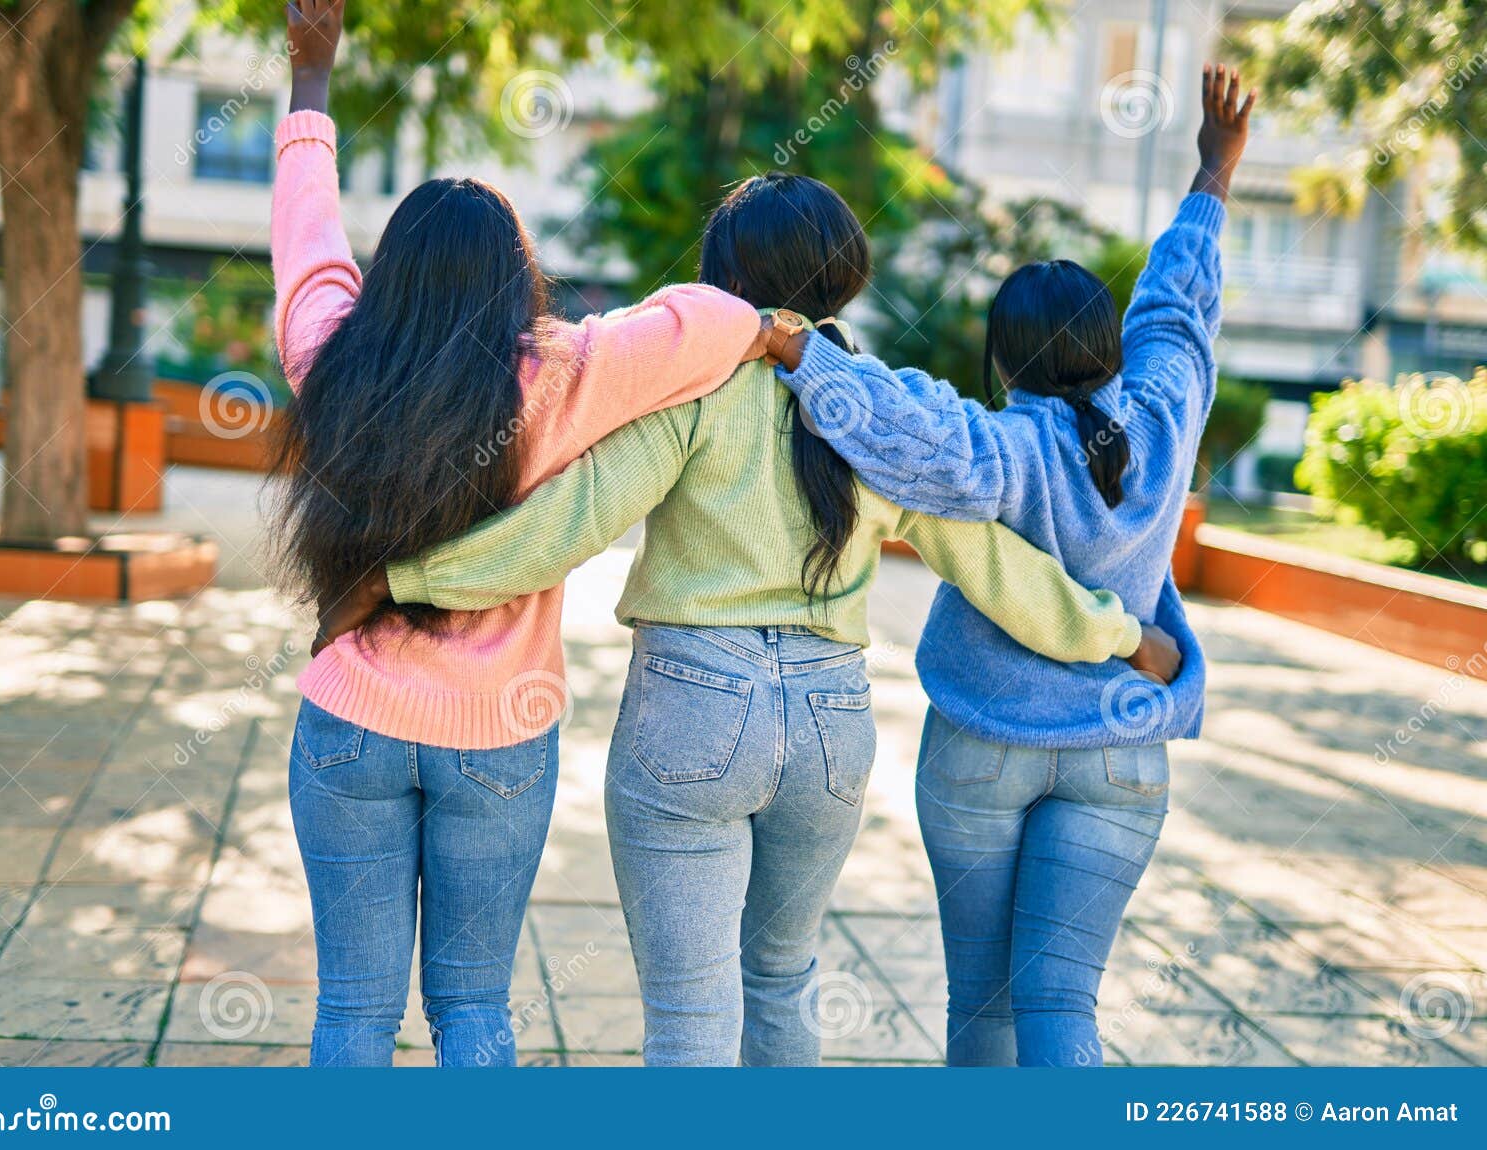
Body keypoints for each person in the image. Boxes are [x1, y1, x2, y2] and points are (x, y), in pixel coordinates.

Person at [324, 172, 1181, 1066]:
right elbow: (998, 566)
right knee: (780, 980)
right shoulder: (884, 410)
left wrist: (403, 580)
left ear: (723, 275)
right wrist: (1123, 637)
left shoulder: (694, 395)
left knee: (693, 1020)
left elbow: (561, 527)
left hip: (693, 711)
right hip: (831, 726)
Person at [272, 0, 769, 1067]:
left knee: (351, 1015)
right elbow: (708, 322)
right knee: (474, 1011)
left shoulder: (331, 355)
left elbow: (308, 247)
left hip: (349, 718)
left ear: (392, 272)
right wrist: (771, 327)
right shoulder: (557, 374)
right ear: (513, 271)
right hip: (499, 734)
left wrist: (312, 84)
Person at [764, 64, 1254, 1066]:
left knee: (984, 1009)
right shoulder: (1164, 410)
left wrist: (799, 351)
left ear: (1004, 361)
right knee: (1062, 1012)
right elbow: (1178, 309)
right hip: (1121, 747)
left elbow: (901, 429)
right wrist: (1212, 175)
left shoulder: (1001, 446)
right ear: (1109, 348)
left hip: (984, 744)